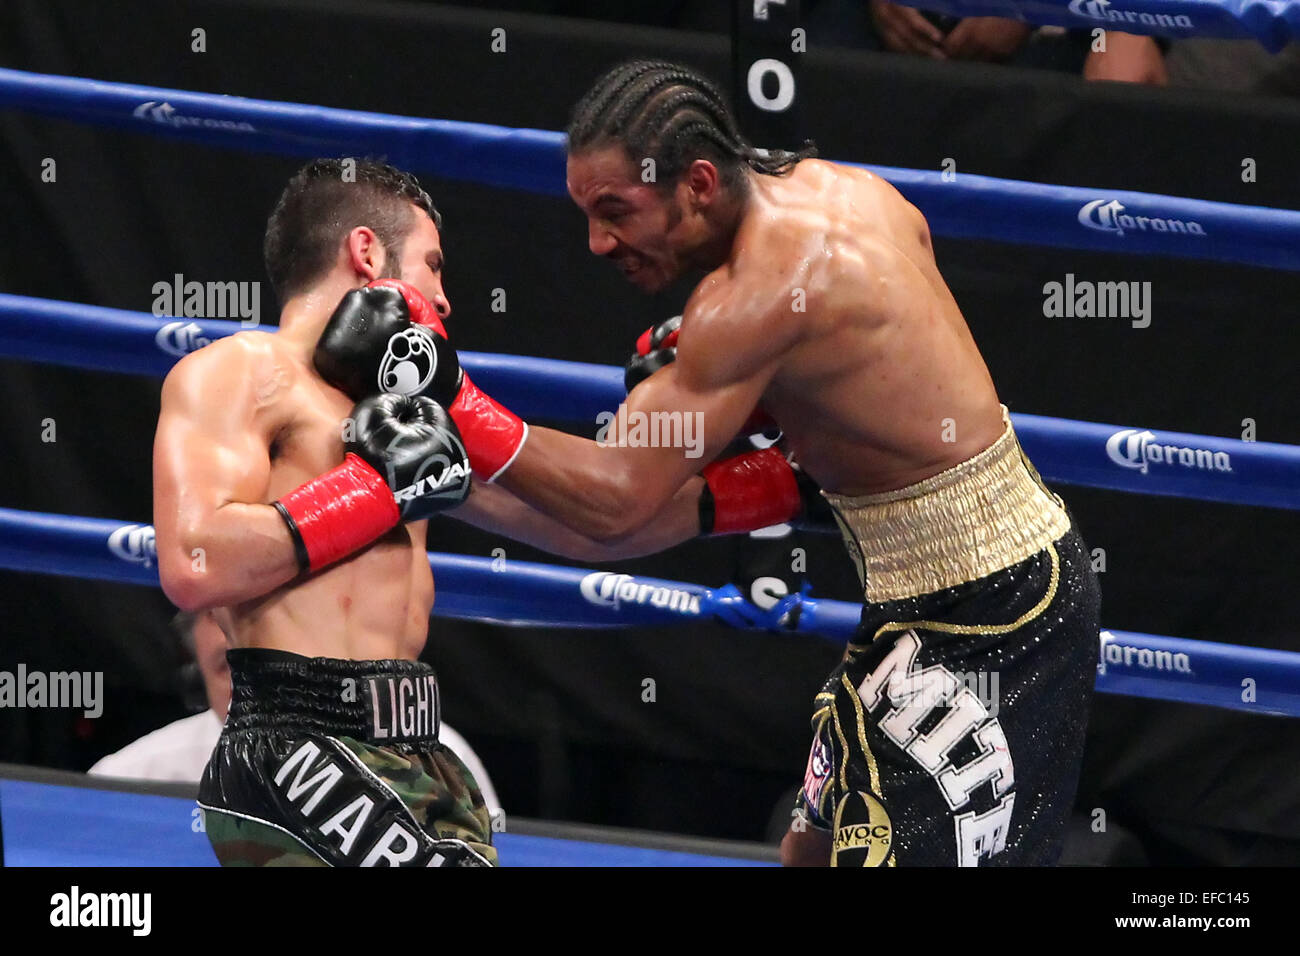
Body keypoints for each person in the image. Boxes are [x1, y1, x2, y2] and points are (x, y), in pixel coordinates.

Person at [404, 60, 1102, 866]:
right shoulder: (849, 191)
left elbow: (615, 503)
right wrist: (443, 478)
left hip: (996, 615)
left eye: (615, 211)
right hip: (924, 591)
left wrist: (450, 394)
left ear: (697, 183)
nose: (598, 243)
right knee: (808, 851)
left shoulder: (750, 301)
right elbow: (899, 322)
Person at [154, 159, 698, 866]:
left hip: (417, 753)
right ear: (366, 252)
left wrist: (734, 471)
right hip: (299, 748)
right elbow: (194, 563)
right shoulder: (244, 371)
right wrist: (378, 488)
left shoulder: (412, 415)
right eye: (433, 265)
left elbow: (592, 524)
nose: (443, 297)